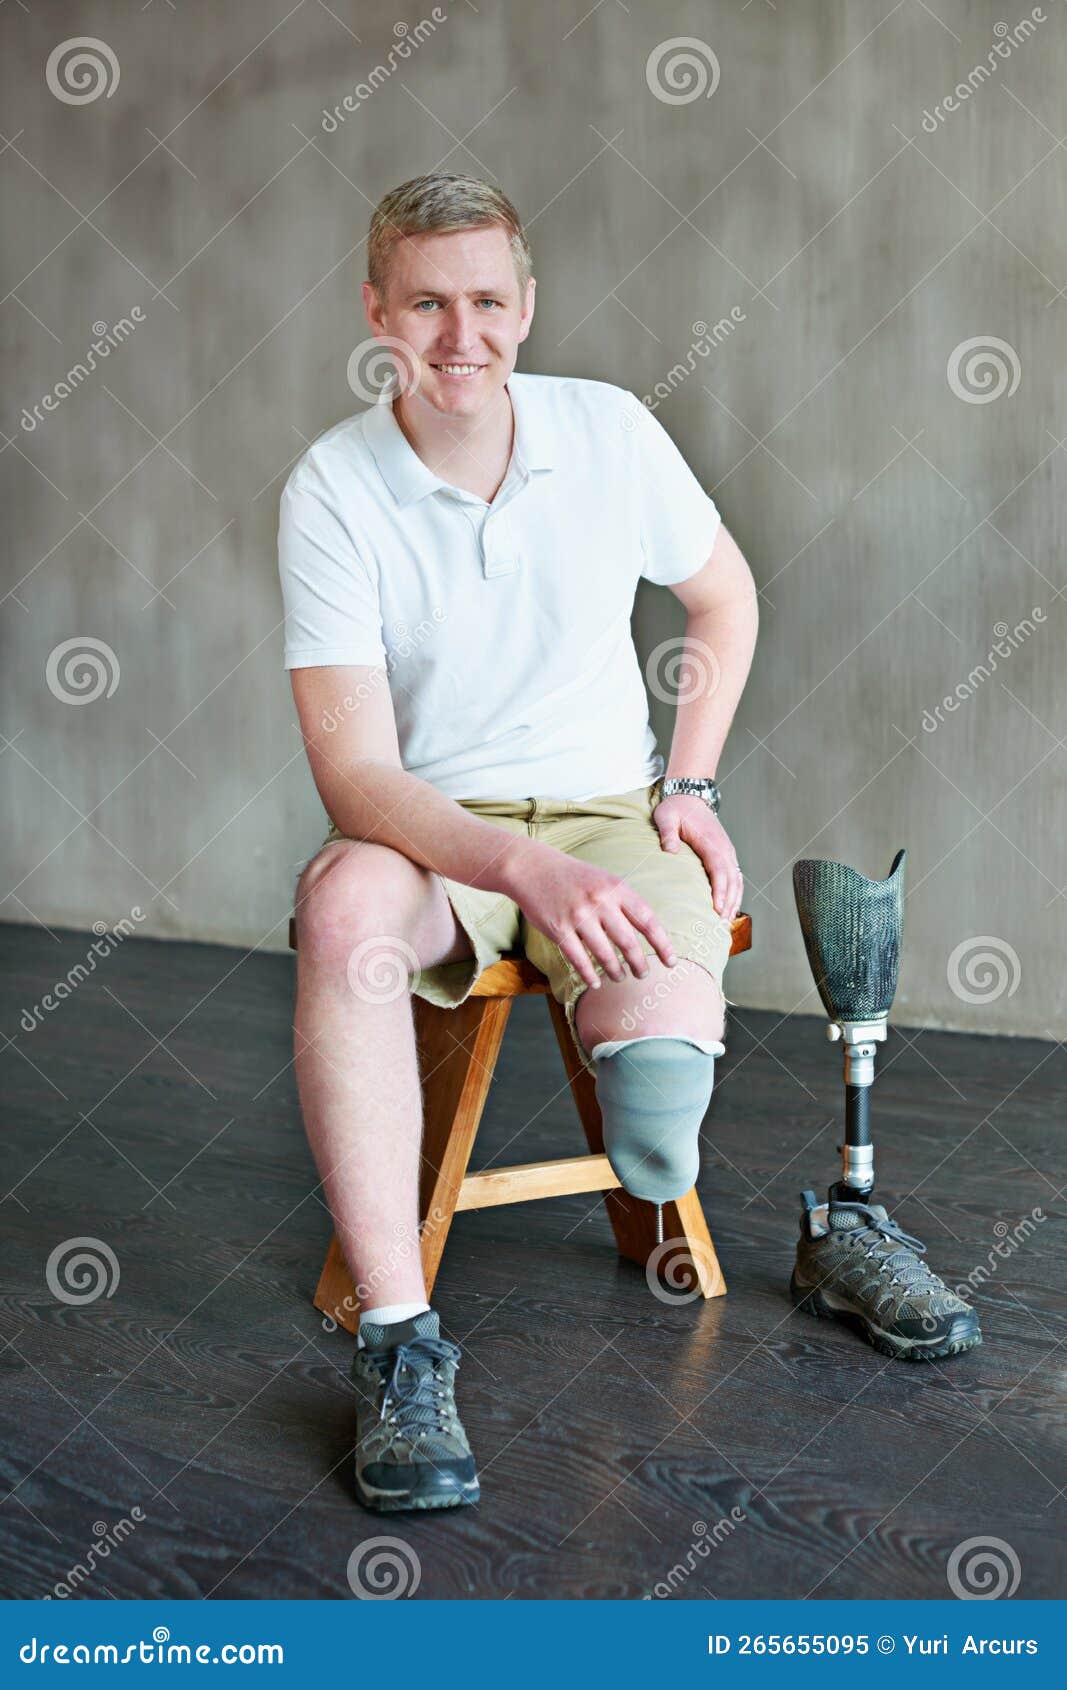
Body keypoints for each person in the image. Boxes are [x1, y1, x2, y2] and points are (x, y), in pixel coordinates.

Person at [277, 172, 952, 1518]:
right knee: (345, 908)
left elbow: (724, 594)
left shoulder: (609, 430)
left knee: (655, 1135)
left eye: (484, 301)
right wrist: (516, 868)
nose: (457, 334)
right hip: (438, 832)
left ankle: (833, 1237)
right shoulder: (332, 486)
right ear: (377, 314)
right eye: (425, 303)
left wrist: (688, 782)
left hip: (607, 811)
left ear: (525, 309)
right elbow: (355, 774)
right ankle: (400, 1342)